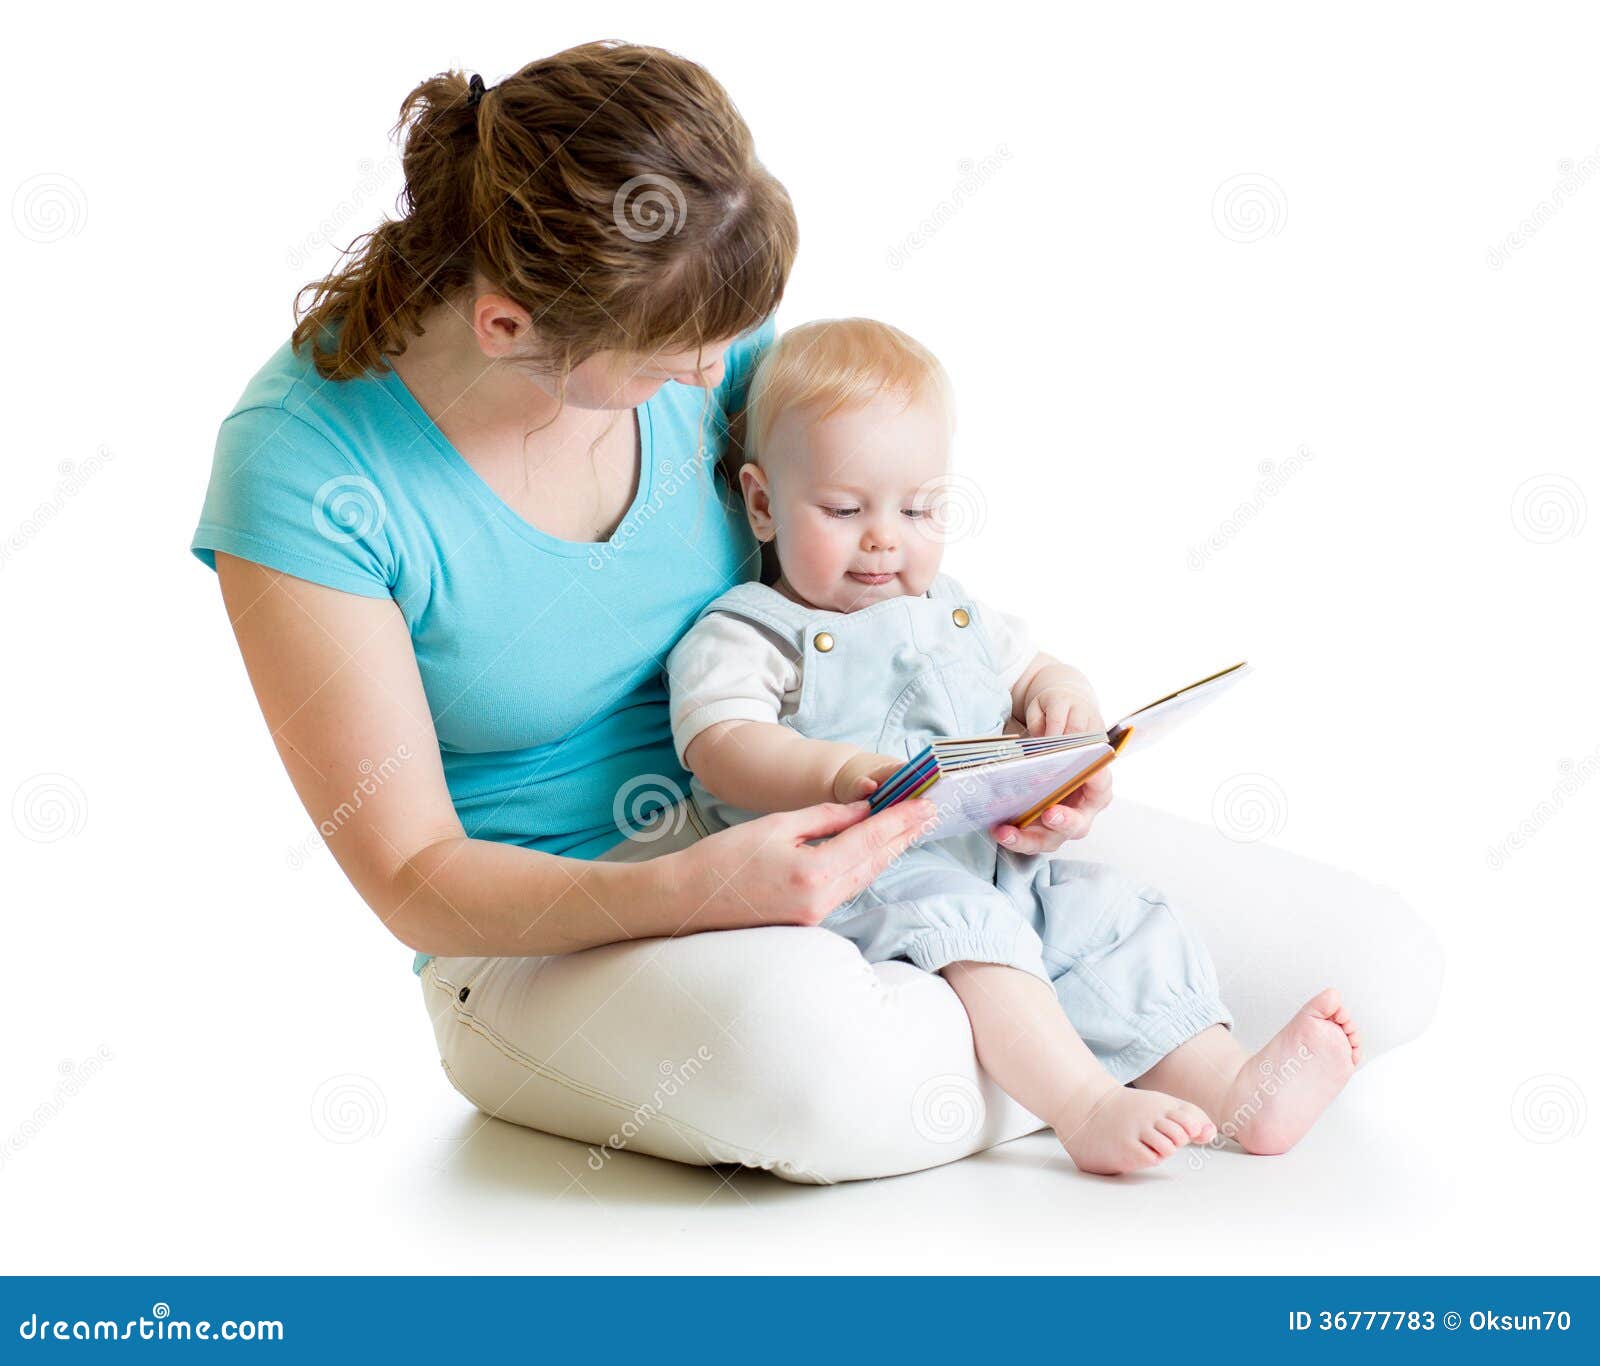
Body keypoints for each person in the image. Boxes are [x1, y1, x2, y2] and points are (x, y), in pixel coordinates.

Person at [190, 44, 1107, 1174]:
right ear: (506, 326)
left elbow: (860, 584)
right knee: (825, 1066)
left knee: (1350, 959)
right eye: (673, 360)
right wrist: (693, 889)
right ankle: (1075, 1044)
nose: (716, 371)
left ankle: (1050, 1034)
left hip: (848, 837)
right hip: (545, 940)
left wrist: (1010, 759)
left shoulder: (693, 324)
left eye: (725, 338)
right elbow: (413, 875)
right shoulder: (304, 469)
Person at [666, 318, 1363, 1174]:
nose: (886, 536)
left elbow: (1033, 668)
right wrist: (841, 771)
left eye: (920, 509)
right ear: (764, 503)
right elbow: (720, 742)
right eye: (846, 510)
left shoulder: (955, 611)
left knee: (1112, 917)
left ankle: (1234, 1090)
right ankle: (1085, 1106)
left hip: (986, 853)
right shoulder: (751, 630)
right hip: (859, 870)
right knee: (972, 925)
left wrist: (1061, 701)